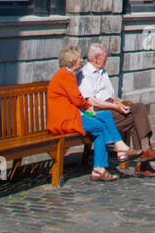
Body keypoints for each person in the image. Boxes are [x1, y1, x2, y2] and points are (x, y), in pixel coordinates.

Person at [47, 44, 141, 182]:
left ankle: (120, 146)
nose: (81, 61)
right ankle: (99, 168)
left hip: (72, 114)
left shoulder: (66, 74)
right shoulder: (66, 76)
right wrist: (87, 107)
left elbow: (76, 100)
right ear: (72, 60)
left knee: (106, 115)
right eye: (79, 58)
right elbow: (77, 99)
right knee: (100, 128)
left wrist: (86, 108)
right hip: (65, 119)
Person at [78, 41, 155, 177]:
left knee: (138, 109)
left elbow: (111, 94)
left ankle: (145, 155)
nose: (107, 59)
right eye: (105, 56)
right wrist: (115, 106)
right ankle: (144, 159)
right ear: (96, 58)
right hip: (98, 112)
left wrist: (119, 103)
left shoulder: (102, 72)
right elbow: (90, 100)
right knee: (136, 118)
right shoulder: (85, 74)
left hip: (111, 108)